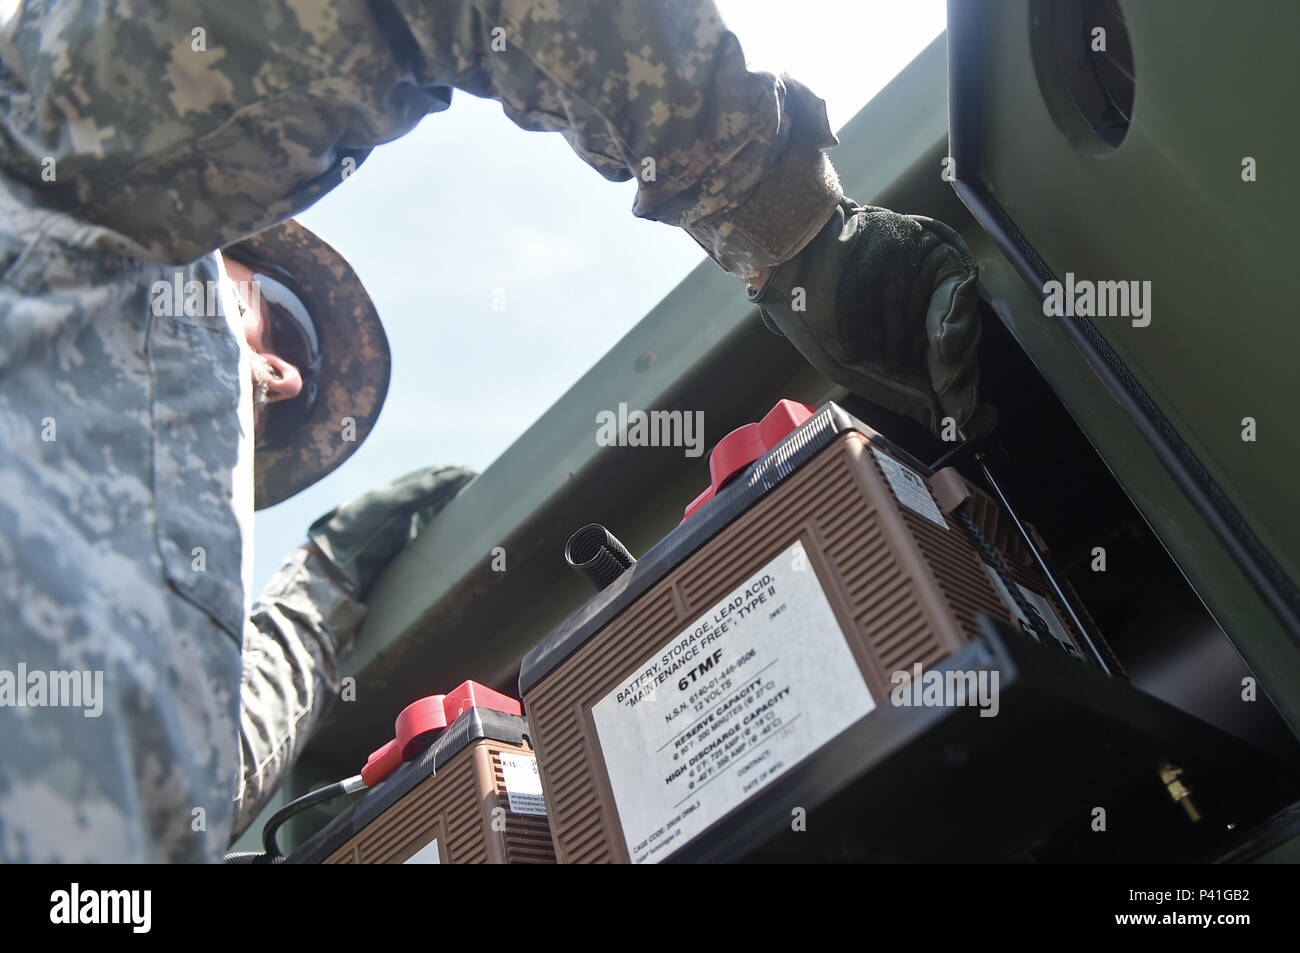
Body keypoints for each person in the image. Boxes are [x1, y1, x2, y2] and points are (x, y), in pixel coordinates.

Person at [0, 0, 982, 862]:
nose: (291, 373)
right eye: (278, 316)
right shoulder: (47, 164)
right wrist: (794, 227)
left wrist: (320, 589)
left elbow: (176, 783)